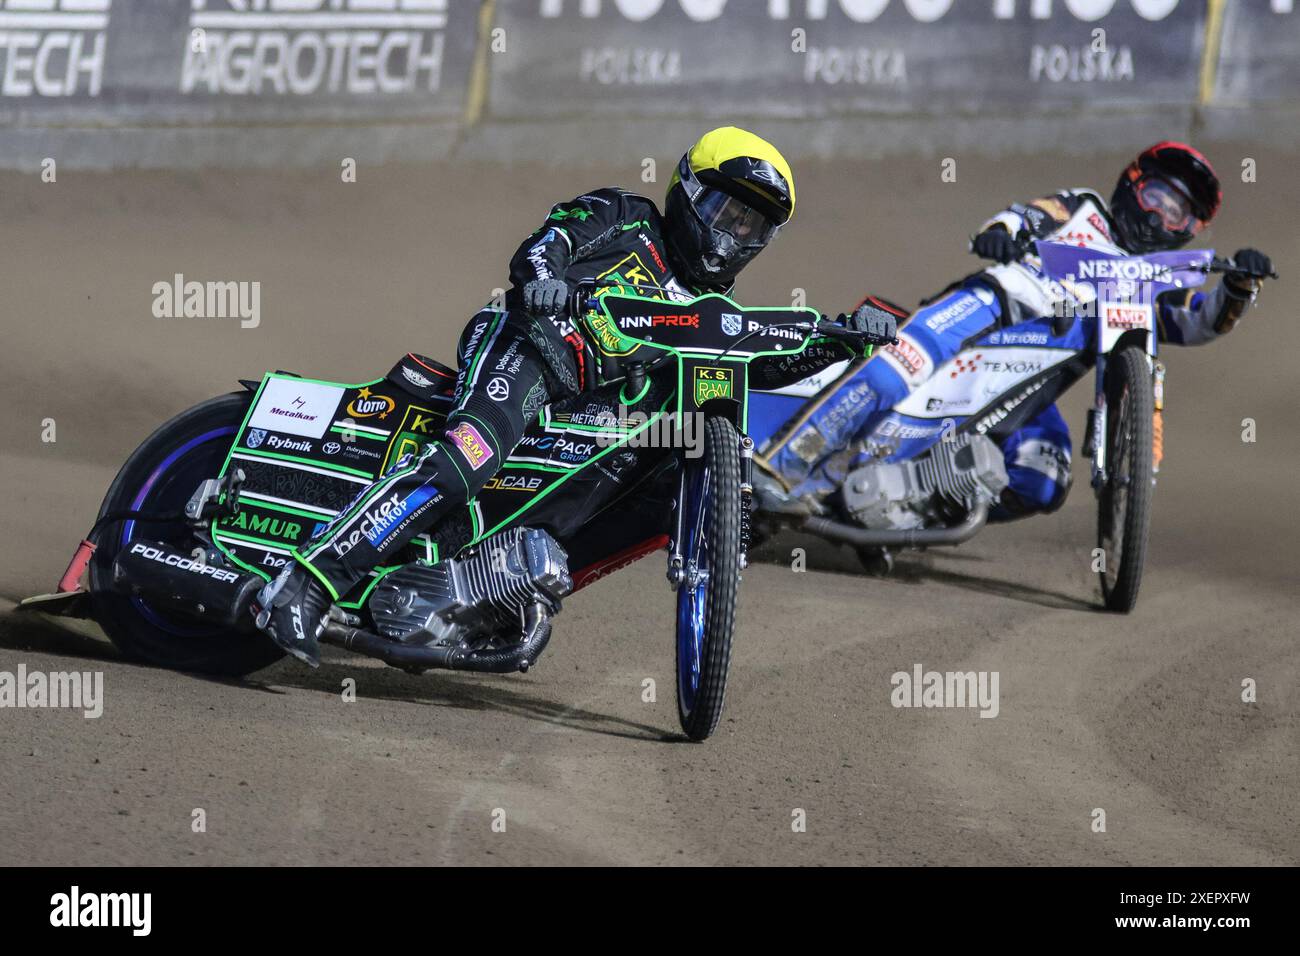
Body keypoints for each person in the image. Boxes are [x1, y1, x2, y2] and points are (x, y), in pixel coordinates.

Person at [253, 126, 891, 667]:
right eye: (726, 212)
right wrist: (547, 284)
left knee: (667, 479)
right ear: (688, 193)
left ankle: (495, 594)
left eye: (749, 224)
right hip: (530, 347)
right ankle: (307, 583)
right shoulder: (623, 216)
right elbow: (543, 245)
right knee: (471, 453)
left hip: (591, 412)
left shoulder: (711, 312)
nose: (731, 234)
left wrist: (847, 341)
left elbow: (767, 362)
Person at [760, 142, 1273, 518]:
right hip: (989, 311)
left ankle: (910, 508)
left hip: (1033, 383)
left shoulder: (1151, 282)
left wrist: (1239, 288)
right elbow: (1022, 216)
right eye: (1159, 195)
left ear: (1190, 231)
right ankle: (775, 470)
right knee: (896, 370)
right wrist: (1000, 235)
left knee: (1044, 477)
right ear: (1134, 185)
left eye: (1179, 213)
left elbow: (1199, 319)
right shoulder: (1084, 209)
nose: (1163, 215)